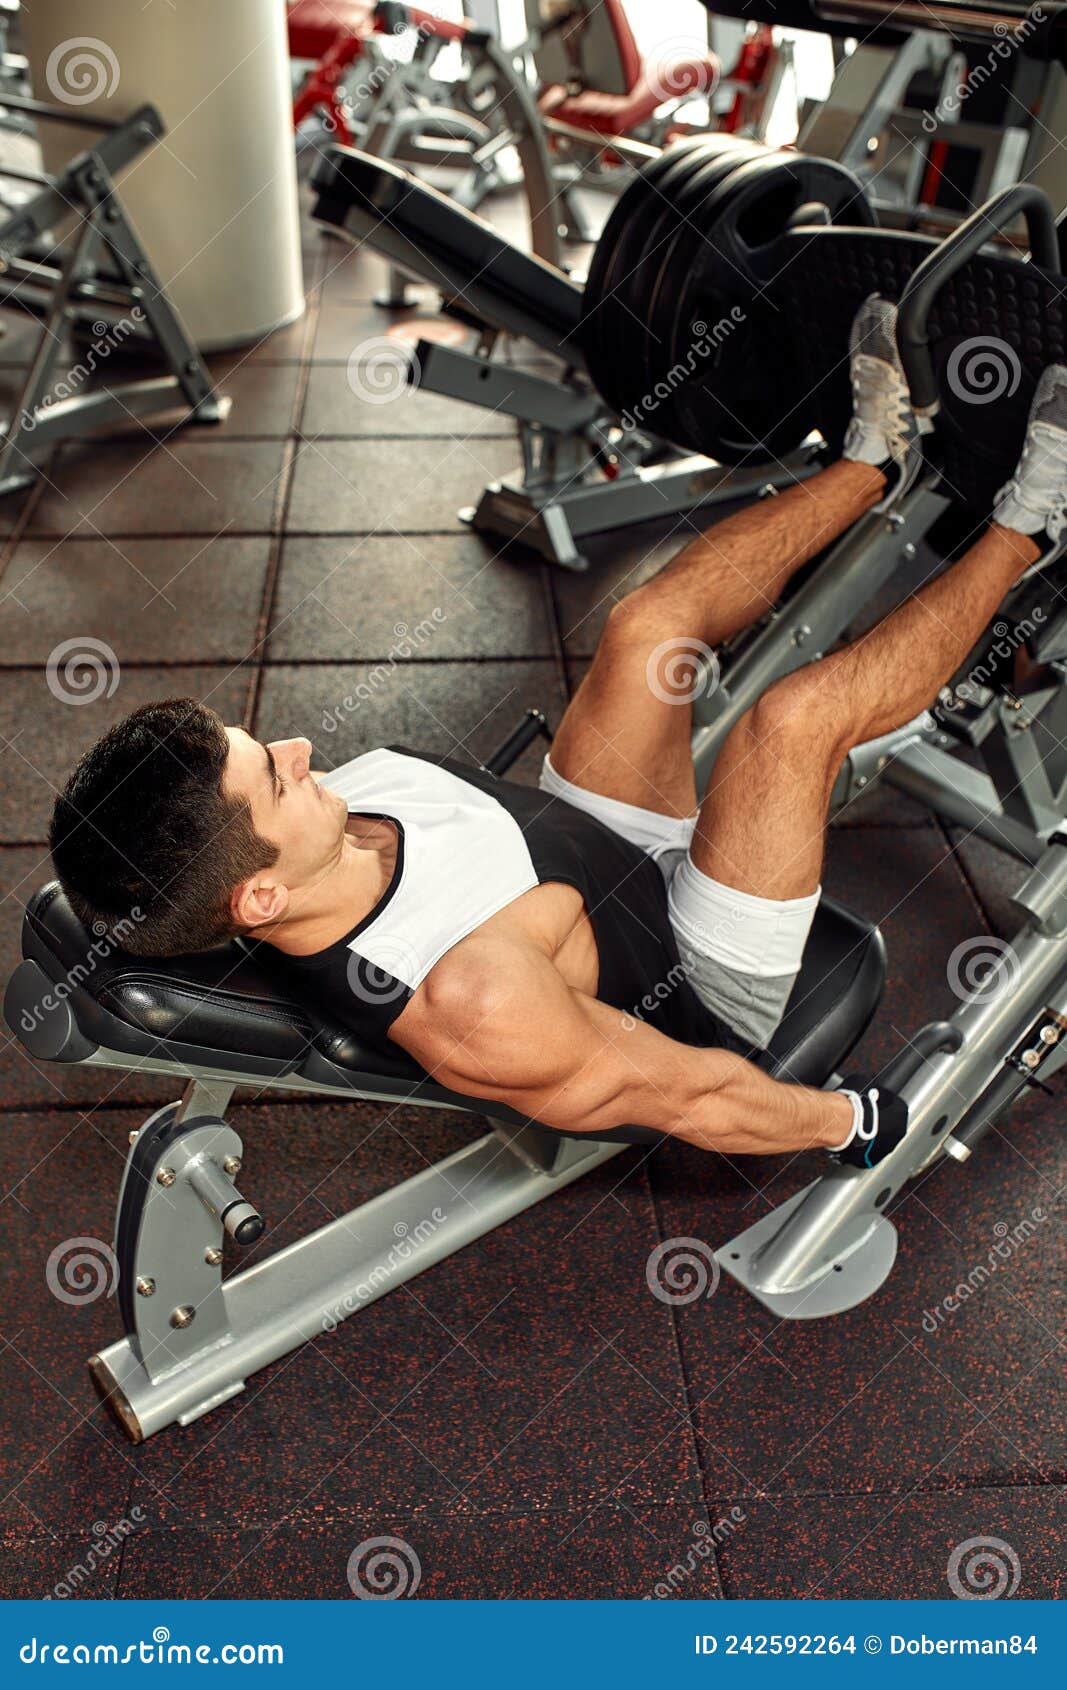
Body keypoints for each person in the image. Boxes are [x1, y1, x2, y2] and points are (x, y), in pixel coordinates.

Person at [48, 300, 1067, 1168]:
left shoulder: (304, 840)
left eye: (266, 744)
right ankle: (1028, 521)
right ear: (261, 893)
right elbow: (690, 1095)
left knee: (641, 630)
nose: (303, 752)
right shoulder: (472, 1001)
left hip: (586, 859)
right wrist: (852, 1121)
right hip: (692, 975)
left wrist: (549, 904)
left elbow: (526, 880)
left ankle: (867, 464)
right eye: (273, 777)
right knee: (789, 721)